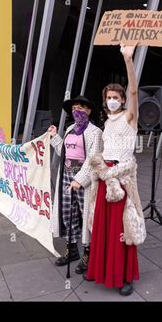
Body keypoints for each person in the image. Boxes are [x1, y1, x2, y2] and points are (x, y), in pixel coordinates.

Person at [84, 43, 146, 297]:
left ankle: (124, 276)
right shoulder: (107, 123)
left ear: (121, 101)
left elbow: (134, 91)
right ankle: (101, 270)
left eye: (115, 98)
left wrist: (128, 59)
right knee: (102, 227)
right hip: (104, 179)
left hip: (121, 179)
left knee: (122, 229)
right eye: (108, 97)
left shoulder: (130, 117)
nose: (112, 101)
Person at [47, 96, 102, 274]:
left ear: (89, 110)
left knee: (86, 215)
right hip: (66, 177)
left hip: (84, 182)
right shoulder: (70, 129)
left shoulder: (95, 132)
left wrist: (80, 179)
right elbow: (63, 151)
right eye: (73, 108)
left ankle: (89, 252)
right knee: (68, 213)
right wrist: (55, 136)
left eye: (80, 107)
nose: (76, 110)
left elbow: (94, 160)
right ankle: (72, 250)